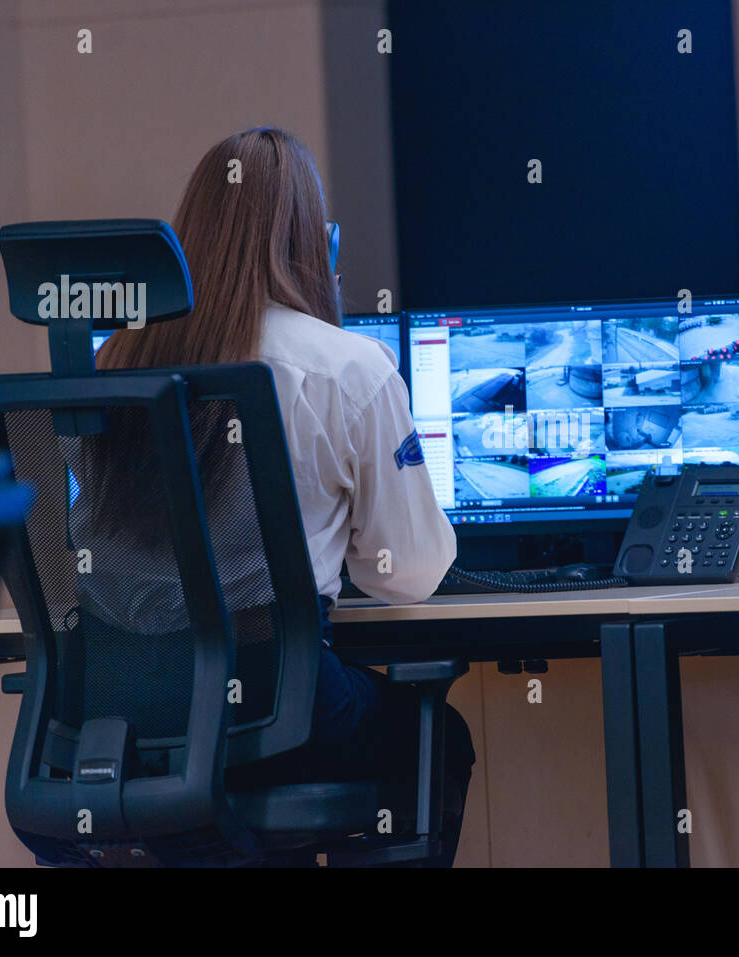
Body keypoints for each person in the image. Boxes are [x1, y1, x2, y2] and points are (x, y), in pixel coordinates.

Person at [88, 127, 473, 864]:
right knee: (440, 738)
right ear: (312, 243)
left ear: (190, 235)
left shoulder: (118, 358)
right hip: (274, 713)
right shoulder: (350, 368)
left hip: (128, 719)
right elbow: (410, 573)